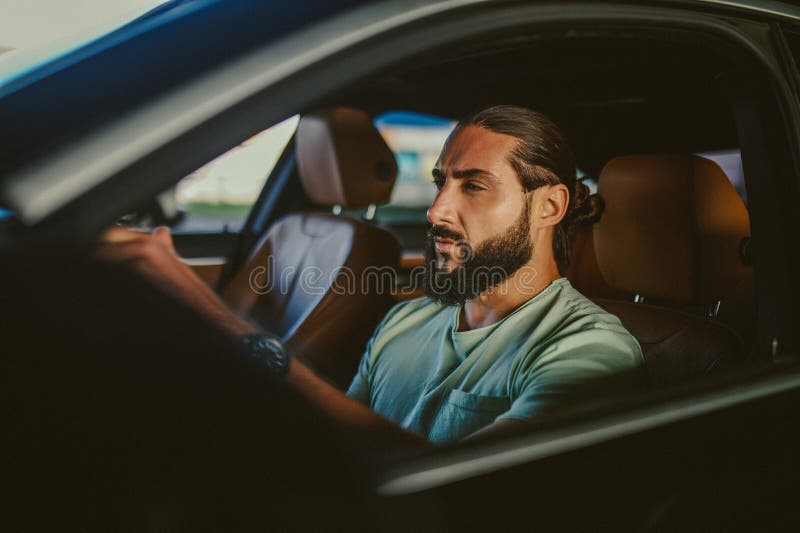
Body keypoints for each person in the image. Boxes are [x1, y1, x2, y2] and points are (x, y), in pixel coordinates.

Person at [97, 105, 643, 448]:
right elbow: (341, 441)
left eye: (472, 186)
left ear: (549, 206)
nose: (436, 211)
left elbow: (465, 493)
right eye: (439, 183)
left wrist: (214, 316)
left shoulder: (590, 350)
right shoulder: (406, 319)